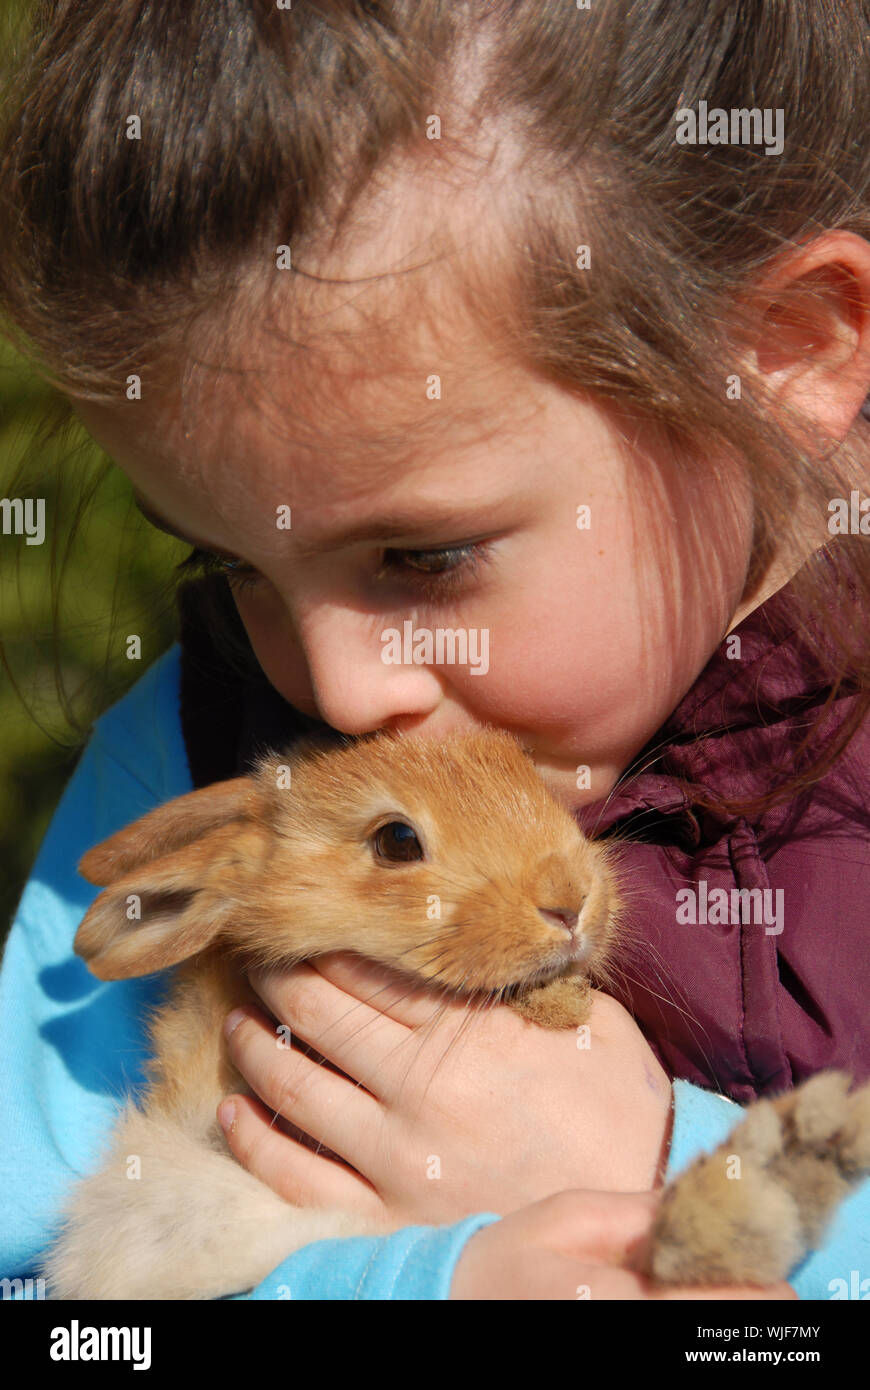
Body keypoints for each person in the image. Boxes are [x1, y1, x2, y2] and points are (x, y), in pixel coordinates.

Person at [1, 0, 869, 1300]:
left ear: (781, 354)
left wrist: (654, 1169)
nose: (336, 688)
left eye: (425, 557)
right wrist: (421, 1277)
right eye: (233, 563)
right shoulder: (189, 754)